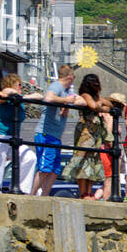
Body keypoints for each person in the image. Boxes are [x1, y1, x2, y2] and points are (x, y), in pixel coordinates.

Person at [32, 65, 83, 197]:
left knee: (55, 170)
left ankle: (45, 196)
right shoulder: (57, 86)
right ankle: (32, 195)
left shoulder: (66, 91)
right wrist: (66, 100)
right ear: (70, 77)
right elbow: (48, 98)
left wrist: (68, 103)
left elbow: (80, 102)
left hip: (55, 136)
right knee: (45, 168)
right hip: (46, 134)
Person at [61, 74, 112, 199]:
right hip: (85, 132)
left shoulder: (96, 97)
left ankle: (88, 192)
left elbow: (110, 105)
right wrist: (100, 104)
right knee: (82, 160)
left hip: (94, 133)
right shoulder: (85, 95)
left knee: (92, 161)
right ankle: (83, 192)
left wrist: (100, 103)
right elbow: (94, 106)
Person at [0, 73, 36, 194]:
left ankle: (22, 189)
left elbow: (39, 96)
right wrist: (14, 93)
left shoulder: (19, 99)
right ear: (11, 84)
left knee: (29, 157)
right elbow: (2, 94)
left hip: (13, 137)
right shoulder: (4, 96)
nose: (21, 87)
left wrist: (23, 97)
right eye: (19, 84)